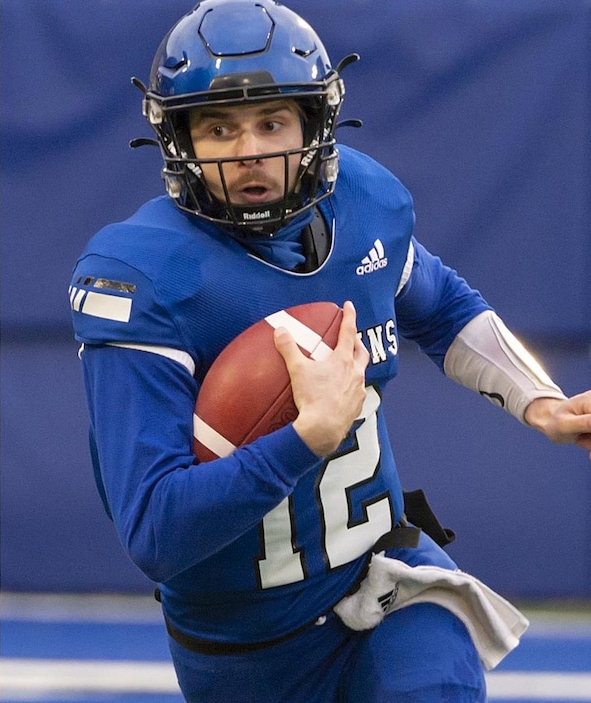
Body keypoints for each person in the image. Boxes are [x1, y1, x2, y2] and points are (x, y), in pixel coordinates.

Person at [69, 1, 591, 700]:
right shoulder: (143, 274)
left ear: (315, 124)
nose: (250, 149)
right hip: (245, 646)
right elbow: (155, 530)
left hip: (383, 582)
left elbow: (440, 305)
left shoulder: (362, 206)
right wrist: (305, 438)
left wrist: (541, 401)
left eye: (272, 121)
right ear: (178, 139)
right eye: (219, 127)